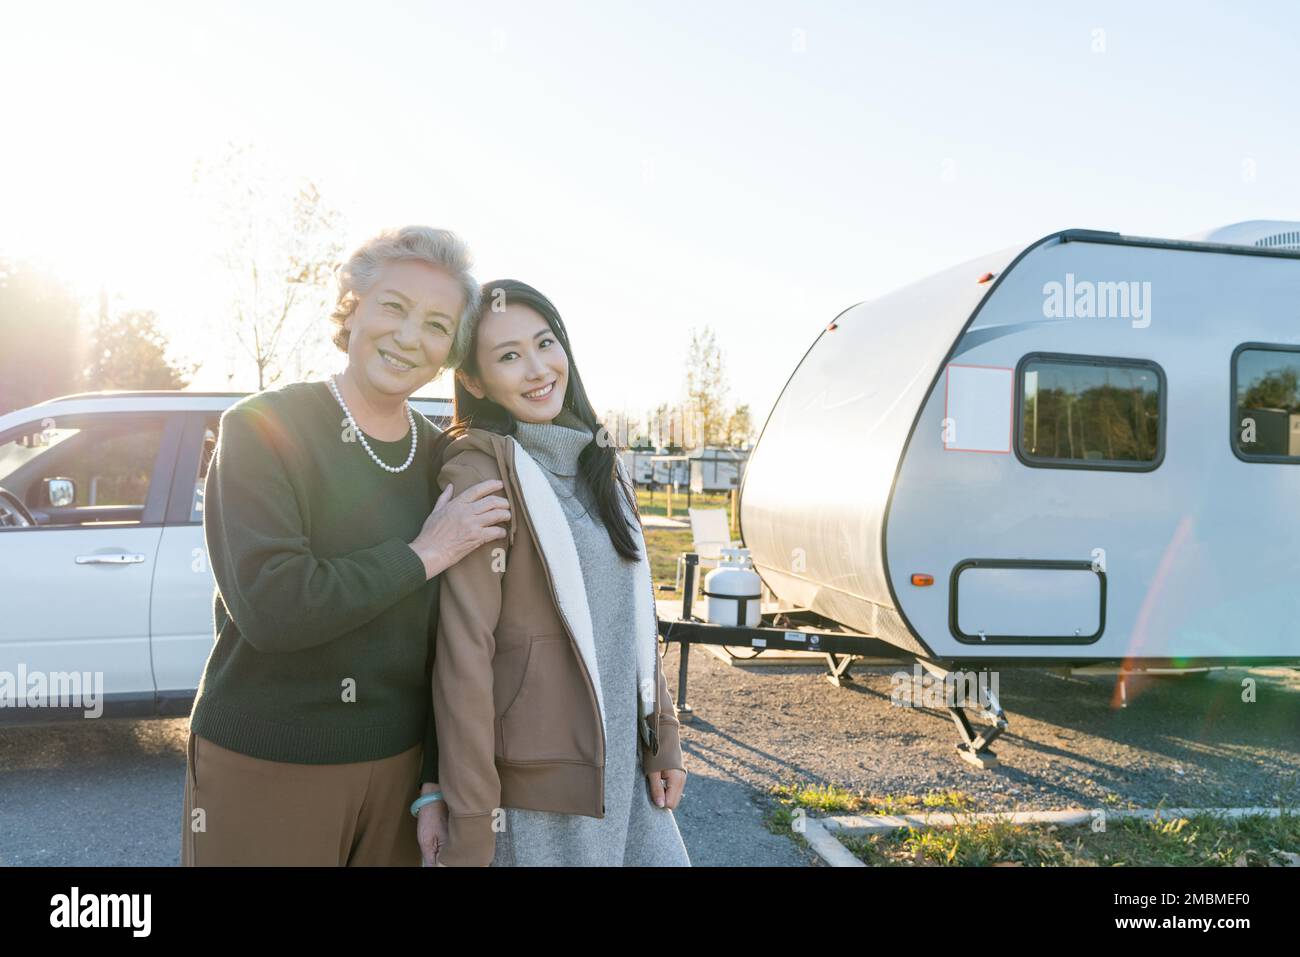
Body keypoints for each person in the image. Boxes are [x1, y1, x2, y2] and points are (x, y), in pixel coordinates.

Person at [181, 226, 510, 866]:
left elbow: (458, 639)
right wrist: (423, 554)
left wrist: (434, 780)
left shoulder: (445, 457)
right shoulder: (261, 427)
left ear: (450, 351)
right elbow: (275, 607)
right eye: (394, 307)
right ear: (352, 306)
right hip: (269, 758)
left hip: (399, 773)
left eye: (438, 325)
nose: (411, 336)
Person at [430, 279, 690, 867]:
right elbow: (464, 655)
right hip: (541, 787)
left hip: (626, 769)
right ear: (474, 381)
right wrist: (471, 817)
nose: (537, 369)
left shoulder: (601, 465)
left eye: (545, 343)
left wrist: (663, 737)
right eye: (508, 356)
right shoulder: (480, 472)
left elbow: (632, 618)